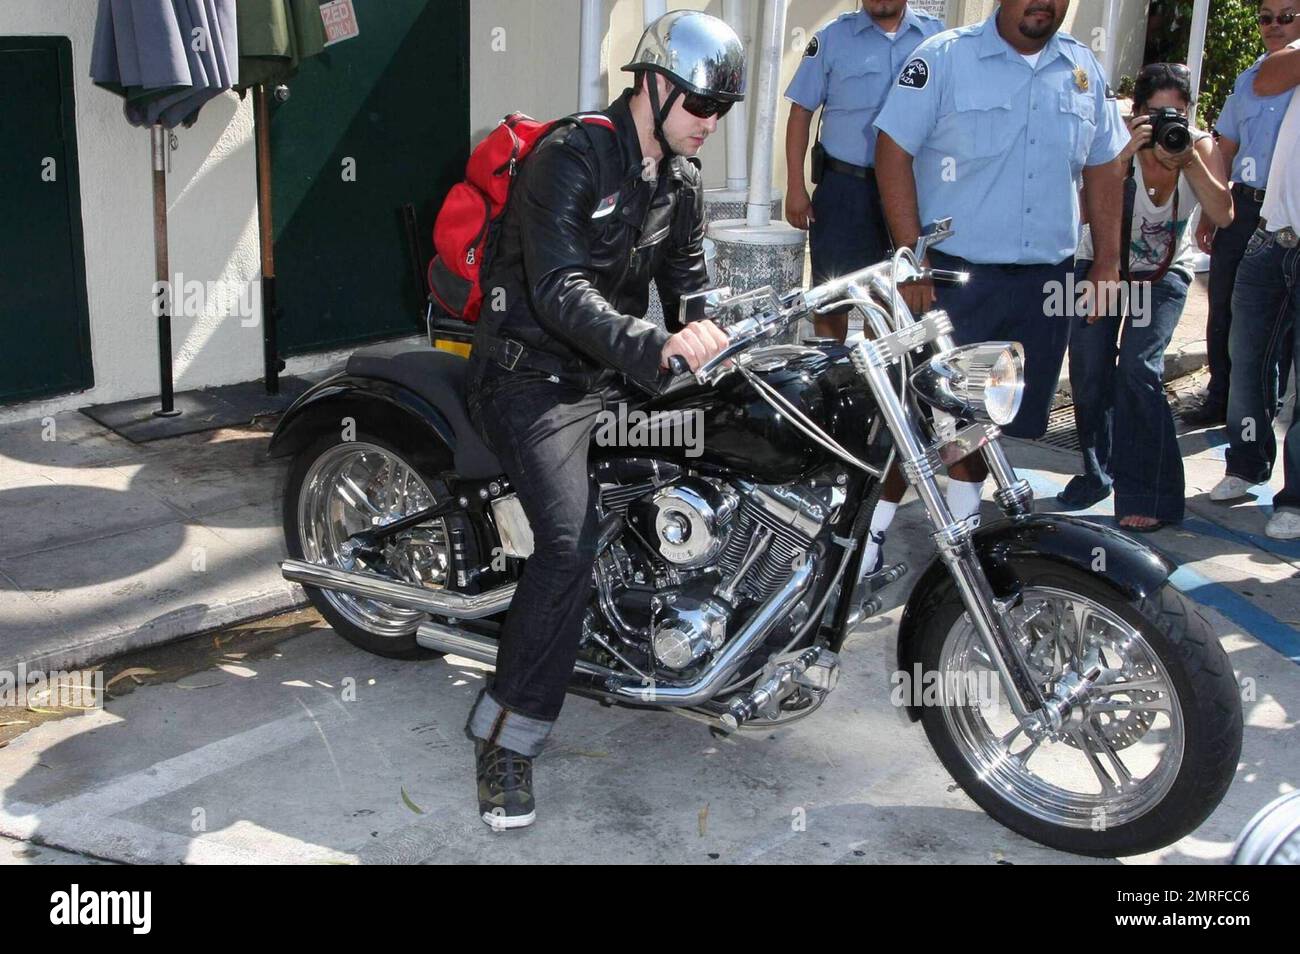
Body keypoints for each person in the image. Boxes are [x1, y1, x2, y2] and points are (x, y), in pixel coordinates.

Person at [461, 11, 742, 829]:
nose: (710, 122)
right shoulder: (571, 155)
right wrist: (654, 346)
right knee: (566, 541)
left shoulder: (680, 181)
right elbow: (558, 291)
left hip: (615, 370)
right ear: (653, 84)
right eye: (699, 103)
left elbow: (690, 286)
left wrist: (714, 336)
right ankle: (506, 738)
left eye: (722, 109)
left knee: (730, 446)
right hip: (531, 376)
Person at [864, 0, 1126, 568]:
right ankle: (869, 536)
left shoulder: (1082, 70)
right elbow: (893, 149)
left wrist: (1107, 259)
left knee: (989, 419)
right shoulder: (944, 58)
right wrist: (913, 259)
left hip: (1042, 283)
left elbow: (1106, 164)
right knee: (912, 413)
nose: (1044, 4)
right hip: (954, 279)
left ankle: (958, 539)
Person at [1060, 63, 1233, 531]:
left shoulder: (1198, 146)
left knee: (1139, 368)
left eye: (1174, 113)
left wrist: (1191, 161)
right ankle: (1098, 473)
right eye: (1154, 115)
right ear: (1135, 113)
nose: (1165, 125)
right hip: (1100, 265)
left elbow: (1224, 213)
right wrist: (1121, 159)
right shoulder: (1115, 141)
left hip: (1162, 276)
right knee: (1090, 369)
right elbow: (1076, 214)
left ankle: (1154, 492)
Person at [783, 1, 944, 342]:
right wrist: (795, 187)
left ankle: (876, 387)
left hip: (910, 194)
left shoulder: (936, 39)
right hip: (846, 191)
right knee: (831, 301)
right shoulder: (832, 39)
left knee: (891, 300)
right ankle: (830, 380)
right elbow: (801, 113)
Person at [1186, 2, 1300, 427]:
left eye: (1286, 16)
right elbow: (1226, 146)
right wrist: (1209, 212)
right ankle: (1221, 397)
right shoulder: (1250, 75)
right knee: (1226, 309)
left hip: (1289, 211)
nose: (1274, 26)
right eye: (1266, 17)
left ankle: (1270, 412)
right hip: (1245, 205)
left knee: (1280, 323)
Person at [1210, 32, 1300, 540]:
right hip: (1271, 236)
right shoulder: (1286, 62)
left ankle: (1296, 498)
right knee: (1246, 361)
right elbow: (1266, 80)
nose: (1276, 23)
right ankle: (1246, 464)